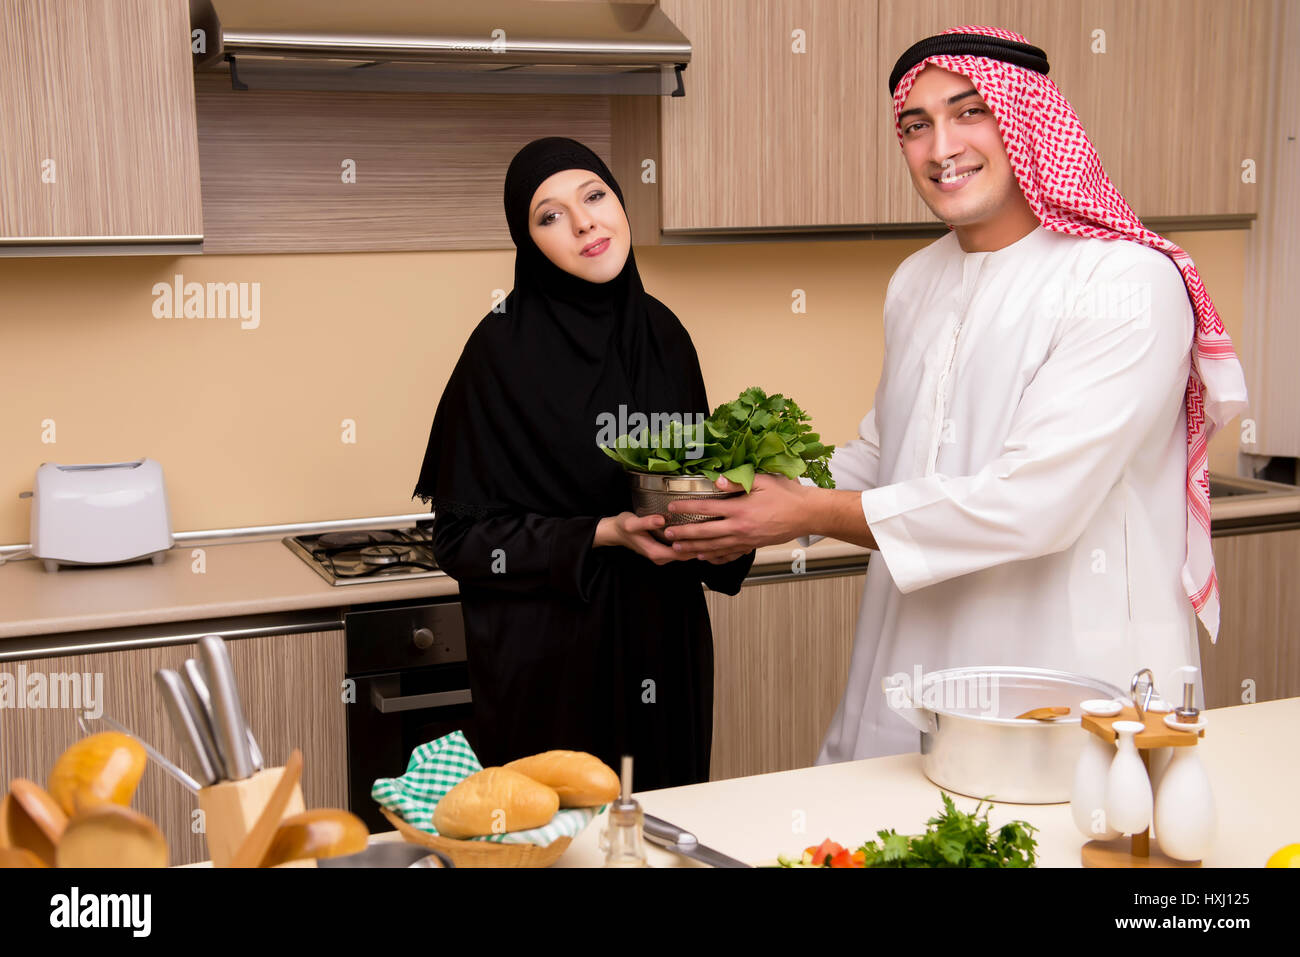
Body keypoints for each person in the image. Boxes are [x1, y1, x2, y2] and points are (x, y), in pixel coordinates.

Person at [662, 26, 1249, 761]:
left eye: (971, 112)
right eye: (916, 126)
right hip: (910, 659)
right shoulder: (916, 280)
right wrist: (738, 498)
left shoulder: (1125, 284)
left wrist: (808, 511)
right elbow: (887, 454)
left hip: (1071, 681)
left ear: (1030, 119)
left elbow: (1033, 503)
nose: (941, 149)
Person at [413, 137, 754, 789]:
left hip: (664, 652)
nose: (584, 222)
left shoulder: (664, 336)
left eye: (595, 195)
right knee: (560, 849)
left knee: (659, 840)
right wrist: (603, 532)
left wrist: (728, 522)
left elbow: (687, 492)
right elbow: (459, 542)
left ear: (620, 203)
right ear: (529, 240)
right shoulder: (498, 352)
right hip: (549, 672)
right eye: (550, 215)